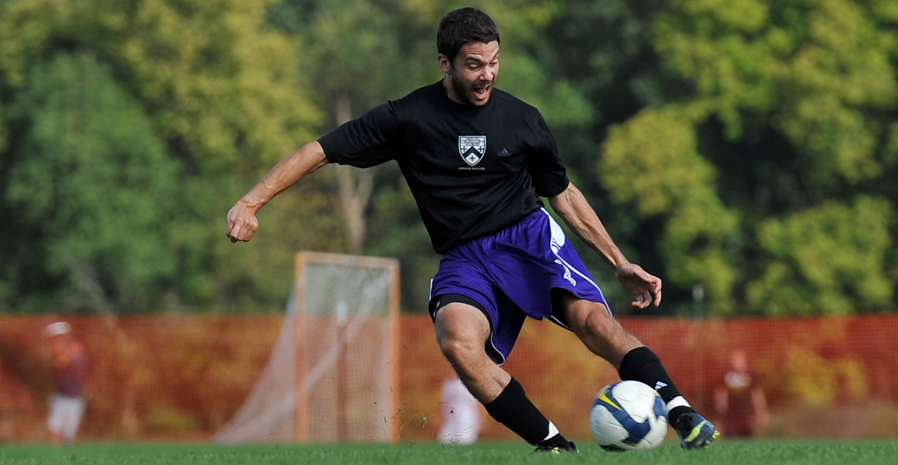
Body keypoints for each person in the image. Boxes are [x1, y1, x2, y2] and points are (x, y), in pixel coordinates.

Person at [226, 7, 717, 452]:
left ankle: (681, 414)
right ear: (445, 63)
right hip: (465, 257)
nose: (487, 76)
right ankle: (553, 448)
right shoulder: (408, 117)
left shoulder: (523, 119)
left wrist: (619, 262)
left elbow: (563, 194)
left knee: (595, 324)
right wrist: (251, 201)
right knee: (457, 341)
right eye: (474, 65)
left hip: (528, 239)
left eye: (494, 62)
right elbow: (319, 150)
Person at [42, 321, 87, 445]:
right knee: (54, 428)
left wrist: (54, 340)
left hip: (74, 401)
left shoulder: (79, 360)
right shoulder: (65, 357)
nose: (72, 347)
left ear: (80, 347)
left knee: (69, 435)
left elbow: (63, 359)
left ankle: (65, 459)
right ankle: (55, 458)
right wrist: (55, 341)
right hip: (61, 398)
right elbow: (58, 359)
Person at [714, 348, 769, 438]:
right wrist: (720, 413)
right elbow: (720, 393)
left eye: (739, 358)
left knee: (748, 442)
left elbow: (757, 394)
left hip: (747, 415)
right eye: (734, 359)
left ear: (745, 359)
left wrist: (761, 412)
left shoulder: (751, 375)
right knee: (729, 441)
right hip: (730, 416)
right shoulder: (725, 375)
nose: (737, 361)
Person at [438, 373, 482, 445]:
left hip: (466, 417)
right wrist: (440, 417)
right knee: (445, 438)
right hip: (451, 417)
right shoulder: (448, 385)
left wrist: (481, 420)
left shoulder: (469, 384)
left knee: (464, 438)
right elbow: (444, 403)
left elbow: (476, 404)